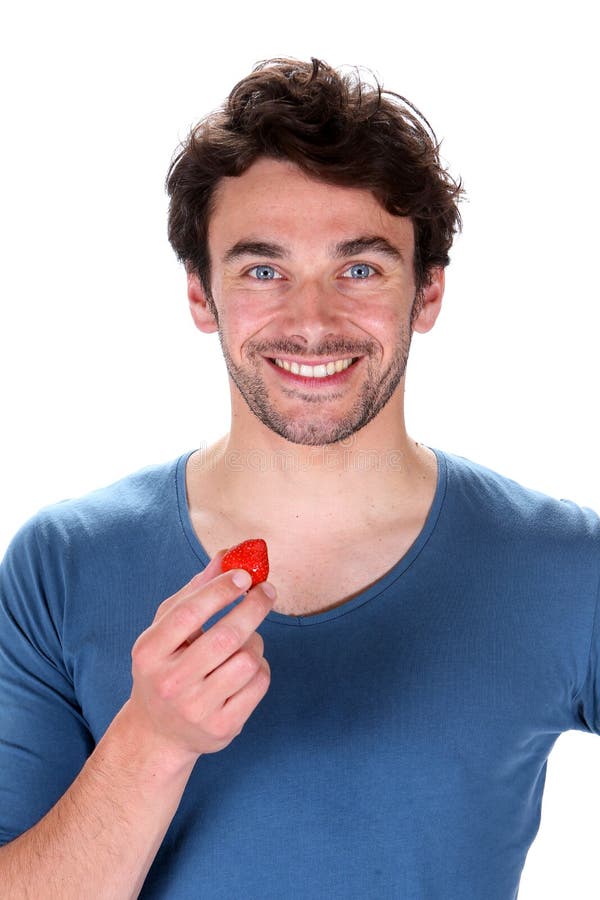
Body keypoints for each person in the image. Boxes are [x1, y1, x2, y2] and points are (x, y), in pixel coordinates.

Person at [0, 56, 598, 900]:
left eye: (359, 269)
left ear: (426, 293)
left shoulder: (570, 566)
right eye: (262, 270)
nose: (311, 322)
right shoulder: (58, 566)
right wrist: (152, 741)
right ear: (202, 296)